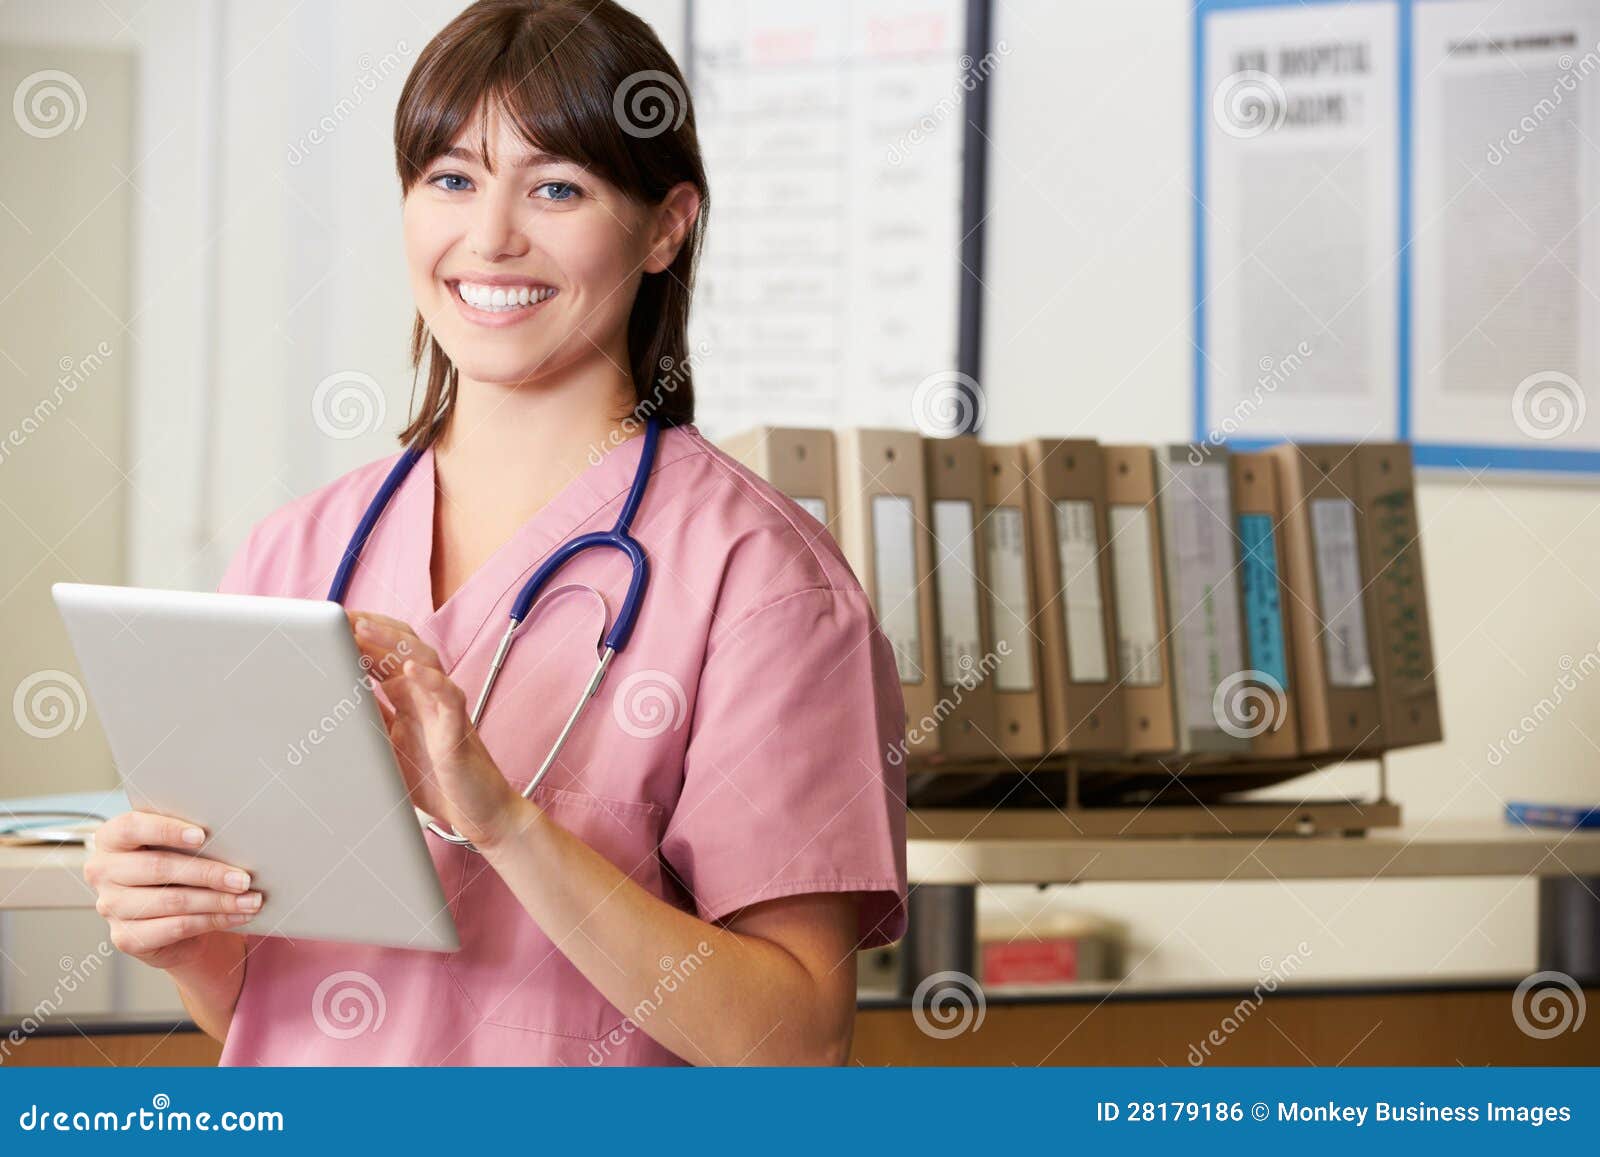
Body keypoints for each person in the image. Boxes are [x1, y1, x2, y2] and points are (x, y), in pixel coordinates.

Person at [82, 0, 907, 1066]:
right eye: (451, 179)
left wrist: (508, 824)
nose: (490, 236)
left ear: (666, 225)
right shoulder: (295, 554)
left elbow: (794, 1044)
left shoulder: (762, 582)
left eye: (556, 186)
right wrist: (190, 939)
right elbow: (272, 998)